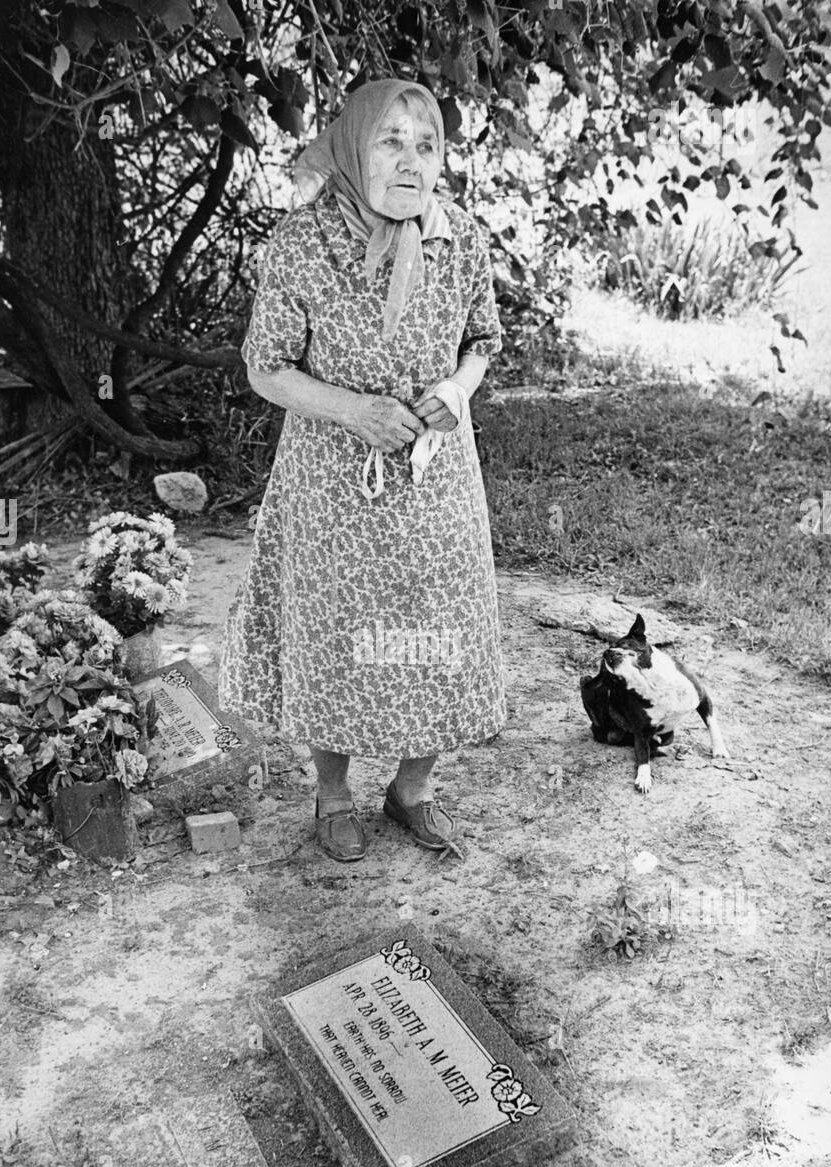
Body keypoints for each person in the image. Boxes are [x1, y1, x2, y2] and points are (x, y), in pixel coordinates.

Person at [219, 77, 505, 862]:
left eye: (427, 144)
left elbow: (483, 340)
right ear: (351, 146)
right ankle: (332, 793)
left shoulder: (461, 238)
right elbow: (265, 368)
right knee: (337, 629)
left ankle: (411, 789)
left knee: (439, 626)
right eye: (391, 140)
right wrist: (356, 411)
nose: (410, 161)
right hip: (331, 479)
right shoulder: (304, 242)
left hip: (435, 475)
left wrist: (454, 388)